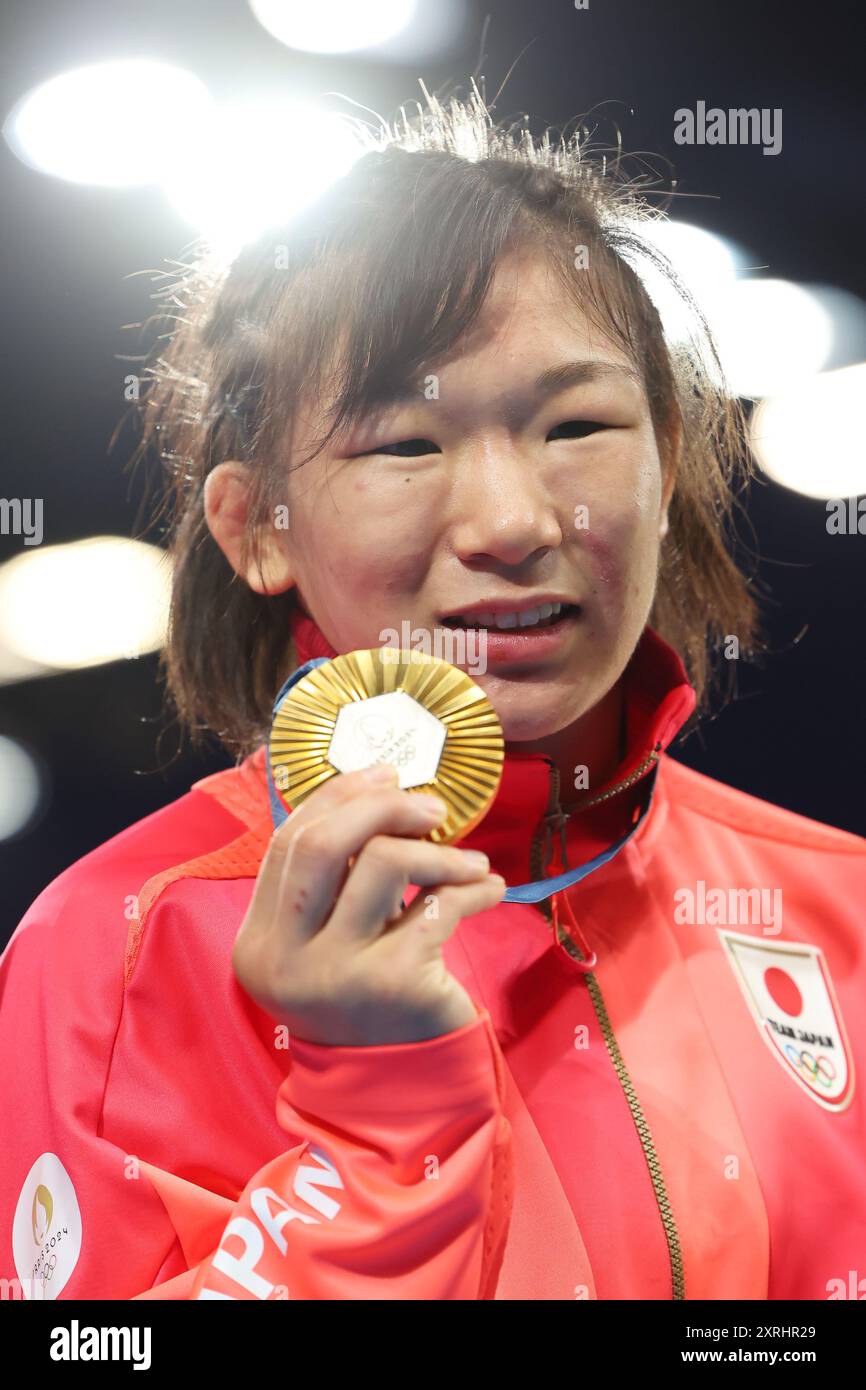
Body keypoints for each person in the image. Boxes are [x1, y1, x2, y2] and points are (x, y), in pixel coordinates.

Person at [2, 85, 864, 1303]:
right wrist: (383, 1125)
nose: (513, 522)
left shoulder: (838, 906)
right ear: (256, 530)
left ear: (667, 467)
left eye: (575, 425)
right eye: (403, 444)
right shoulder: (113, 946)